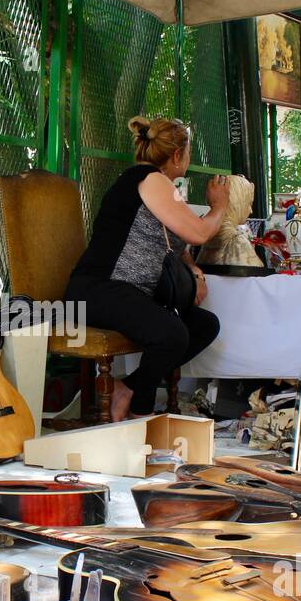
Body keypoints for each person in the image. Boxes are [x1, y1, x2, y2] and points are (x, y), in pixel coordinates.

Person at [64, 116, 223, 422]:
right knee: (171, 334)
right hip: (97, 290)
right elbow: (199, 233)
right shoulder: (150, 179)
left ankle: (127, 388)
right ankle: (141, 413)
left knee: (203, 325)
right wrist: (219, 207)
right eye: (188, 152)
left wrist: (195, 272)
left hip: (126, 293)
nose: (189, 159)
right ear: (177, 155)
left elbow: (179, 245)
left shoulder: (159, 185)